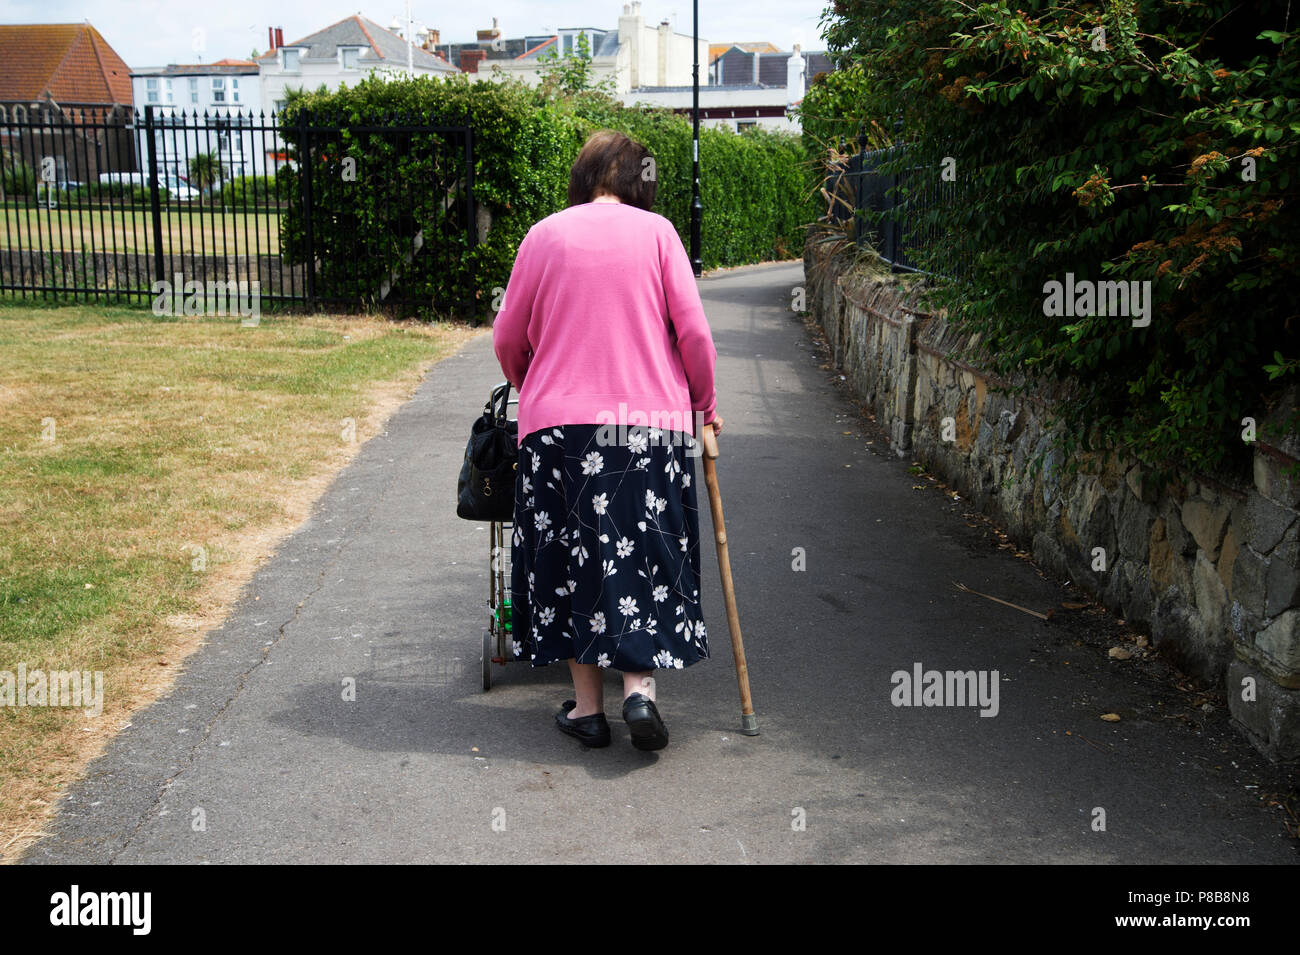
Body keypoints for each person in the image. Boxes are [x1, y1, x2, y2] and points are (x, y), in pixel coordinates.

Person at [492, 129, 722, 752]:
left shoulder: (544, 235)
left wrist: (532, 383)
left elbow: (508, 335)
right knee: (646, 551)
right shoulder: (660, 234)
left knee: (572, 561)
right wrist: (704, 402)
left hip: (560, 427)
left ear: (582, 176)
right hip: (649, 425)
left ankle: (587, 710)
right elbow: (694, 333)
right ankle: (639, 693)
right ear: (641, 182)